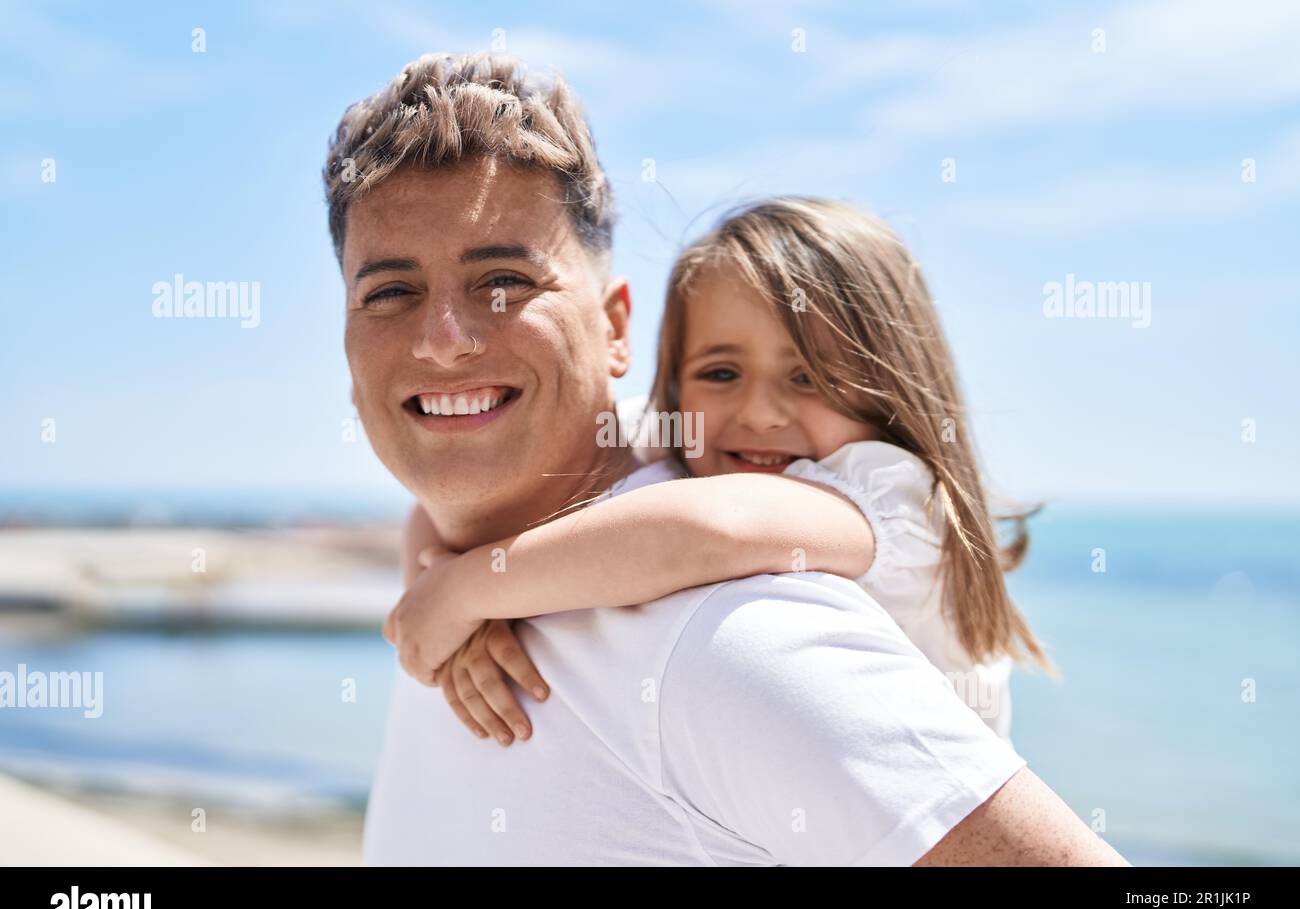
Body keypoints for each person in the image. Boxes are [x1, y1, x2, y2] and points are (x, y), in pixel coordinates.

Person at [329, 51, 1127, 865]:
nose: (444, 342)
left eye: (503, 279)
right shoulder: (585, 503)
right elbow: (446, 504)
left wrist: (468, 585)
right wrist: (433, 581)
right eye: (390, 292)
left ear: (615, 330)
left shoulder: (748, 624)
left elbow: (706, 529)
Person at [390, 197, 1052, 748]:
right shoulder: (679, 430)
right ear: (677, 385)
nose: (759, 413)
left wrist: (470, 590)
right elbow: (483, 490)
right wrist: (445, 601)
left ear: (891, 389)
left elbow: (712, 529)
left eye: (810, 377)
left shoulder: (897, 496)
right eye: (720, 373)